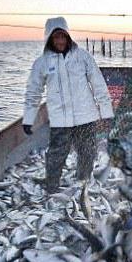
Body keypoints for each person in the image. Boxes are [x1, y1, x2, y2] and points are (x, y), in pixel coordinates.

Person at [22, 17, 114, 193]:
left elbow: (98, 84)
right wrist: (28, 119)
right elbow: (34, 92)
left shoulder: (83, 57)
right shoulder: (42, 63)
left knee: (87, 151)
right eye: (56, 38)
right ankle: (52, 186)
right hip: (60, 120)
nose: (60, 41)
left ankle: (83, 182)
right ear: (49, 39)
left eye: (63, 37)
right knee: (56, 154)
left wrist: (106, 112)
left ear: (68, 37)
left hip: (85, 116)